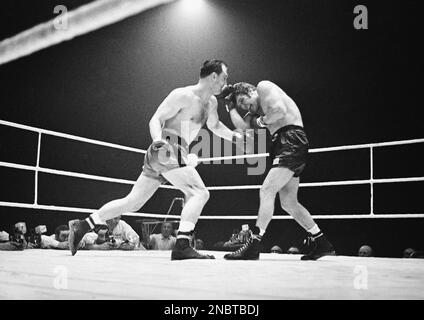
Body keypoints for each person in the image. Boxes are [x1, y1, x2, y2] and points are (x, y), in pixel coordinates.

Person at [69, 59, 247, 260]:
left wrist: (237, 137)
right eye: (225, 77)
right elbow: (156, 118)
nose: (226, 82)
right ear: (213, 76)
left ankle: (84, 225)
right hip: (167, 146)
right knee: (199, 192)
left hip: (172, 152)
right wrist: (158, 141)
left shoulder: (212, 103)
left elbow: (215, 127)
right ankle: (182, 244)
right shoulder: (182, 95)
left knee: (133, 202)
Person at [223, 81, 335, 261]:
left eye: (243, 100)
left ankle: (254, 244)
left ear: (251, 91)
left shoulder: (263, 87)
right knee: (289, 203)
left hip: (291, 138)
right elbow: (242, 129)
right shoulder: (255, 111)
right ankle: (323, 244)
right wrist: (230, 108)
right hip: (282, 143)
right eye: (241, 105)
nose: (245, 106)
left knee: (267, 190)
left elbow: (280, 111)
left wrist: (260, 121)